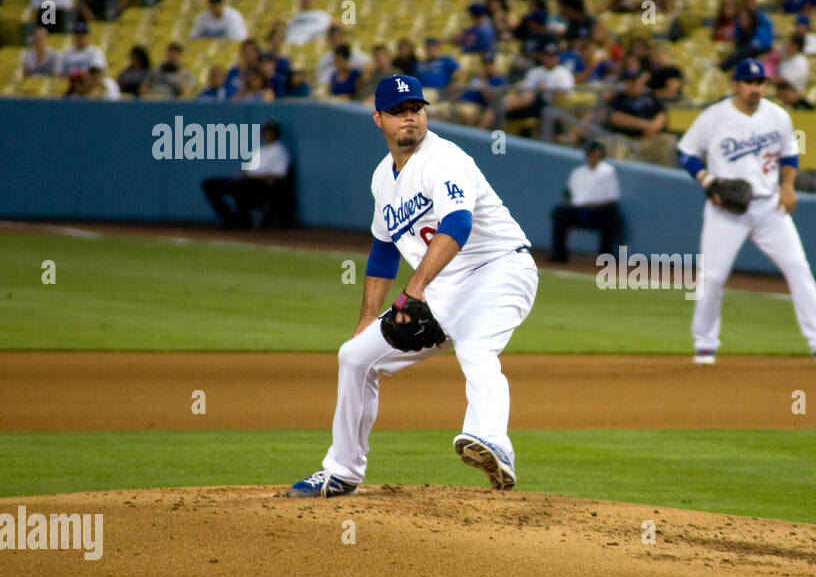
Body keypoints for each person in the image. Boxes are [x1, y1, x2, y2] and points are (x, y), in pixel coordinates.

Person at [287, 74, 538, 496]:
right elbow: (384, 248)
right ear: (378, 119)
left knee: (477, 347)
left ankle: (493, 440)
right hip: (442, 287)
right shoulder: (382, 179)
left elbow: (458, 222)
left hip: (499, 269)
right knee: (354, 357)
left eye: (416, 109)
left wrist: (416, 288)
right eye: (399, 112)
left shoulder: (444, 159)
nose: (410, 118)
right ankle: (342, 471)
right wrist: (368, 318)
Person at [676, 59, 816, 366]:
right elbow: (685, 152)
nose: (756, 88)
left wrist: (789, 186)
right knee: (712, 277)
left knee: (799, 268)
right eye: (749, 82)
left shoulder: (778, 116)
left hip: (769, 206)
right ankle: (704, 343)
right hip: (726, 209)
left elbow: (790, 155)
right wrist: (707, 179)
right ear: (736, 85)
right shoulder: (714, 118)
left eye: (760, 83)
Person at [202, 120, 293, 229]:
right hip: (247, 182)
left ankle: (243, 220)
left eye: (270, 131)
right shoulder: (260, 150)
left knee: (239, 186)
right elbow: (249, 169)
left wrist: (250, 176)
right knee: (209, 184)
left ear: (276, 133)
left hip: (263, 186)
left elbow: (279, 175)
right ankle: (229, 218)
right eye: (266, 131)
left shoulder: (279, 150)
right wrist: (243, 173)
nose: (267, 134)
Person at [550, 141, 623, 262]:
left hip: (598, 210)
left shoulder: (608, 171)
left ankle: (605, 257)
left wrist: (596, 204)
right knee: (559, 212)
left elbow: (613, 199)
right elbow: (570, 194)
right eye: (590, 153)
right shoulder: (578, 172)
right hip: (578, 210)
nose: (592, 156)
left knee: (609, 215)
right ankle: (559, 255)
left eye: (595, 153)